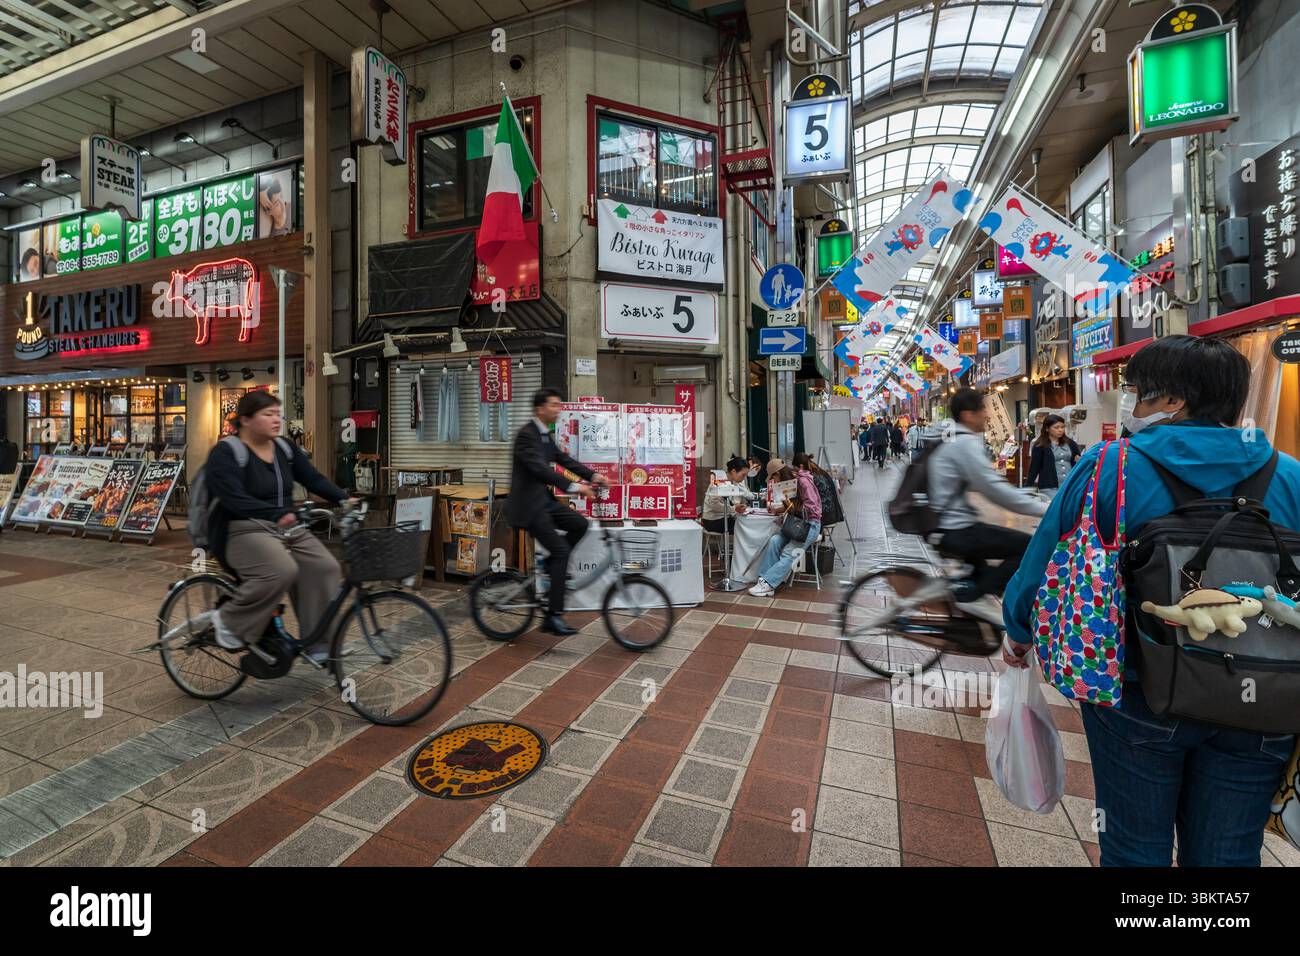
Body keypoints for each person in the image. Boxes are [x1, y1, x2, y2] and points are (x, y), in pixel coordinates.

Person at [1003, 335, 1300, 867]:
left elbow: (1045, 566)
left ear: (1173, 401)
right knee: (1230, 851)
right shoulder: (1290, 476)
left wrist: (1018, 634)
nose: (1131, 406)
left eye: (1137, 393)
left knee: (1135, 846)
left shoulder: (1108, 467)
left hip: (1139, 689)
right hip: (1266, 695)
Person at [202, 391, 350, 662]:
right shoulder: (226, 452)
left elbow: (313, 479)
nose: (276, 420)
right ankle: (228, 621)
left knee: (325, 567)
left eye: (277, 414)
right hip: (241, 529)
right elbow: (233, 498)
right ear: (245, 420)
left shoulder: (284, 448)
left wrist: (344, 499)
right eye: (267, 414)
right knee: (282, 569)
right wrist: (274, 513)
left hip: (282, 526)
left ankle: (319, 645)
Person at [928, 388, 1048, 625]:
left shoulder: (950, 439)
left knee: (983, 576)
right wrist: (1043, 509)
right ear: (967, 415)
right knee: (1026, 547)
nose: (987, 415)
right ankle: (971, 598)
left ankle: (976, 615)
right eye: (982, 409)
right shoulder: (964, 444)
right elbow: (994, 490)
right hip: (955, 529)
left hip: (945, 526)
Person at [505, 388, 609, 636]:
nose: (558, 409)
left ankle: (553, 564)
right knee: (562, 551)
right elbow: (542, 471)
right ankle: (552, 616)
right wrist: (576, 487)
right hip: (529, 508)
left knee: (579, 524)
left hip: (544, 502)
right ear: (540, 408)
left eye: (559, 405)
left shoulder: (545, 436)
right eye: (554, 405)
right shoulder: (526, 436)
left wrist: (593, 475)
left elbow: (563, 460)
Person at [749, 456, 823, 596]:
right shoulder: (790, 484)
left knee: (790, 552)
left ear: (777, 474)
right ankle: (764, 579)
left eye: (773, 478)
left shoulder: (802, 483)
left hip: (809, 526)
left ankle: (768, 582)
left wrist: (792, 507)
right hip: (794, 524)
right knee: (774, 541)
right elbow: (794, 507)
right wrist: (782, 509)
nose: (774, 482)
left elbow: (813, 509)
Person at [1026, 414, 1081, 501]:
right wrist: (1028, 488)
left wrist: (1080, 461)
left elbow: (1079, 463)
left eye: (1062, 427)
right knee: (1054, 511)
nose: (1060, 430)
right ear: (1047, 429)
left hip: (1070, 485)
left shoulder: (1071, 444)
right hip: (1050, 487)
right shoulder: (1040, 445)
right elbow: (1034, 468)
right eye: (1056, 427)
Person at [701, 454, 755, 534]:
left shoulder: (734, 482)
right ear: (733, 471)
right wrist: (734, 508)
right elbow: (714, 505)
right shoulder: (718, 480)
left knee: (746, 523)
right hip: (712, 520)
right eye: (743, 475)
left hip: (724, 517)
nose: (744, 478)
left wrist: (736, 507)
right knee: (744, 527)